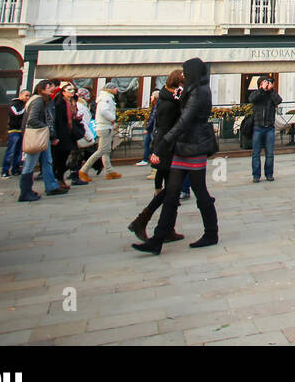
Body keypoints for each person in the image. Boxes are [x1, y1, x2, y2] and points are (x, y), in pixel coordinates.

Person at [132, 58, 218, 254]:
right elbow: (172, 100)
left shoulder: (199, 91)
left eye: (186, 72)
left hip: (194, 145)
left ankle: (211, 233)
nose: (183, 75)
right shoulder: (190, 88)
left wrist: (163, 143)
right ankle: (157, 239)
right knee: (171, 193)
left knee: (200, 192)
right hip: (182, 145)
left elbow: (185, 120)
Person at [128, 70, 186, 243]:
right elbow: (165, 129)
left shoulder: (168, 98)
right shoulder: (169, 103)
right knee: (171, 190)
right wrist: (158, 151)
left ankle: (166, 228)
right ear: (178, 85)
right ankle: (142, 220)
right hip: (169, 150)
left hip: (168, 148)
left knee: (172, 191)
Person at [18, 80, 66, 201]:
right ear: (42, 89)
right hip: (37, 136)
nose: (52, 89)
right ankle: (25, 191)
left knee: (47, 161)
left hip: (43, 136)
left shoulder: (43, 100)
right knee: (30, 164)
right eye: (49, 87)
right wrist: (46, 129)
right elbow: (32, 119)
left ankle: (51, 186)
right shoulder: (38, 101)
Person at [79, 82, 122, 181]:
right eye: (115, 87)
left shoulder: (106, 97)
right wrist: (112, 118)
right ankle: (84, 170)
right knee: (101, 150)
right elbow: (104, 111)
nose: (116, 89)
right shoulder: (106, 98)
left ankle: (109, 171)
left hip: (105, 127)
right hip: (104, 127)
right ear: (110, 89)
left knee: (106, 151)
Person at [248, 77, 281, 183]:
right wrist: (262, 90)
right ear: (259, 85)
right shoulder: (257, 94)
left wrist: (271, 90)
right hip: (258, 126)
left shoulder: (271, 95)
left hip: (269, 127)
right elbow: (251, 99)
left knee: (270, 153)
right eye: (264, 83)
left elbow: (279, 100)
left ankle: (269, 174)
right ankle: (256, 175)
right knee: (256, 153)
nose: (267, 85)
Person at [3, 89, 31, 178]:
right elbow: (16, 113)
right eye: (26, 95)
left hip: (22, 130)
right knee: (11, 151)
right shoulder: (14, 104)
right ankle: (5, 171)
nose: (28, 97)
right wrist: (25, 108)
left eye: (29, 96)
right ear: (21, 95)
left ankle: (15, 169)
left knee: (18, 152)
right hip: (14, 130)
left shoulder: (25, 105)